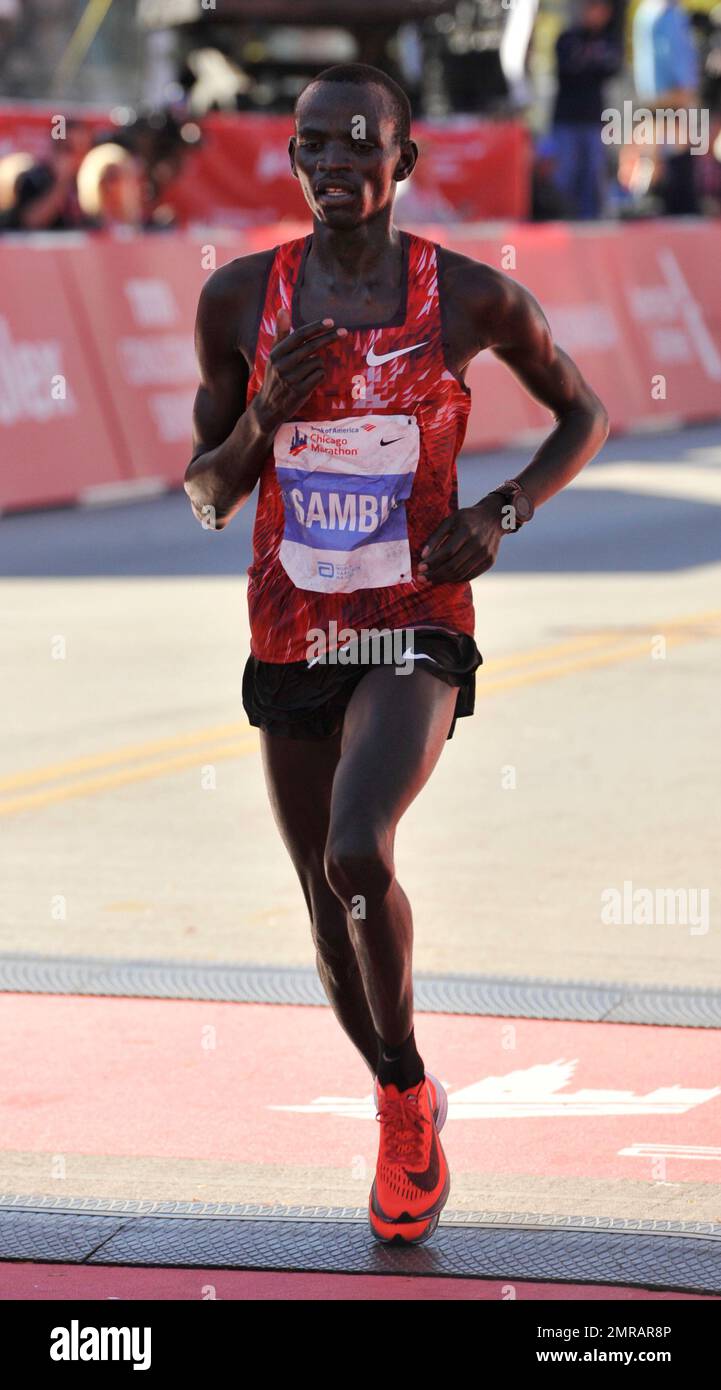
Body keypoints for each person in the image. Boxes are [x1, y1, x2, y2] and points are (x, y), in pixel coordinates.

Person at [185, 63, 609, 1244]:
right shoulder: (237, 302)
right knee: (330, 917)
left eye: (358, 146)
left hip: (413, 618)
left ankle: (404, 1111)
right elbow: (207, 494)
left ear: (403, 165)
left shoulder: (467, 299)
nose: (333, 167)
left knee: (358, 852)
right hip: (291, 628)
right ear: (294, 161)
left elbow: (584, 413)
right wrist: (264, 420)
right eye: (313, 146)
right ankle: (402, 1089)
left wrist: (500, 514)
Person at [552, 0, 621, 219]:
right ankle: (563, 218)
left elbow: (611, 67)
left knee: (594, 174)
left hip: (594, 119)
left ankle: (591, 221)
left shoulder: (607, 40)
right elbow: (571, 68)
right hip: (567, 120)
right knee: (566, 174)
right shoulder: (567, 39)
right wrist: (590, 62)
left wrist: (590, 62)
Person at [633, 0, 700, 215]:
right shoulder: (667, 13)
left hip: (654, 94)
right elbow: (673, 55)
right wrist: (686, 89)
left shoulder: (646, 11)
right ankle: (660, 200)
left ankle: (645, 197)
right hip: (671, 93)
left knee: (654, 150)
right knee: (674, 153)